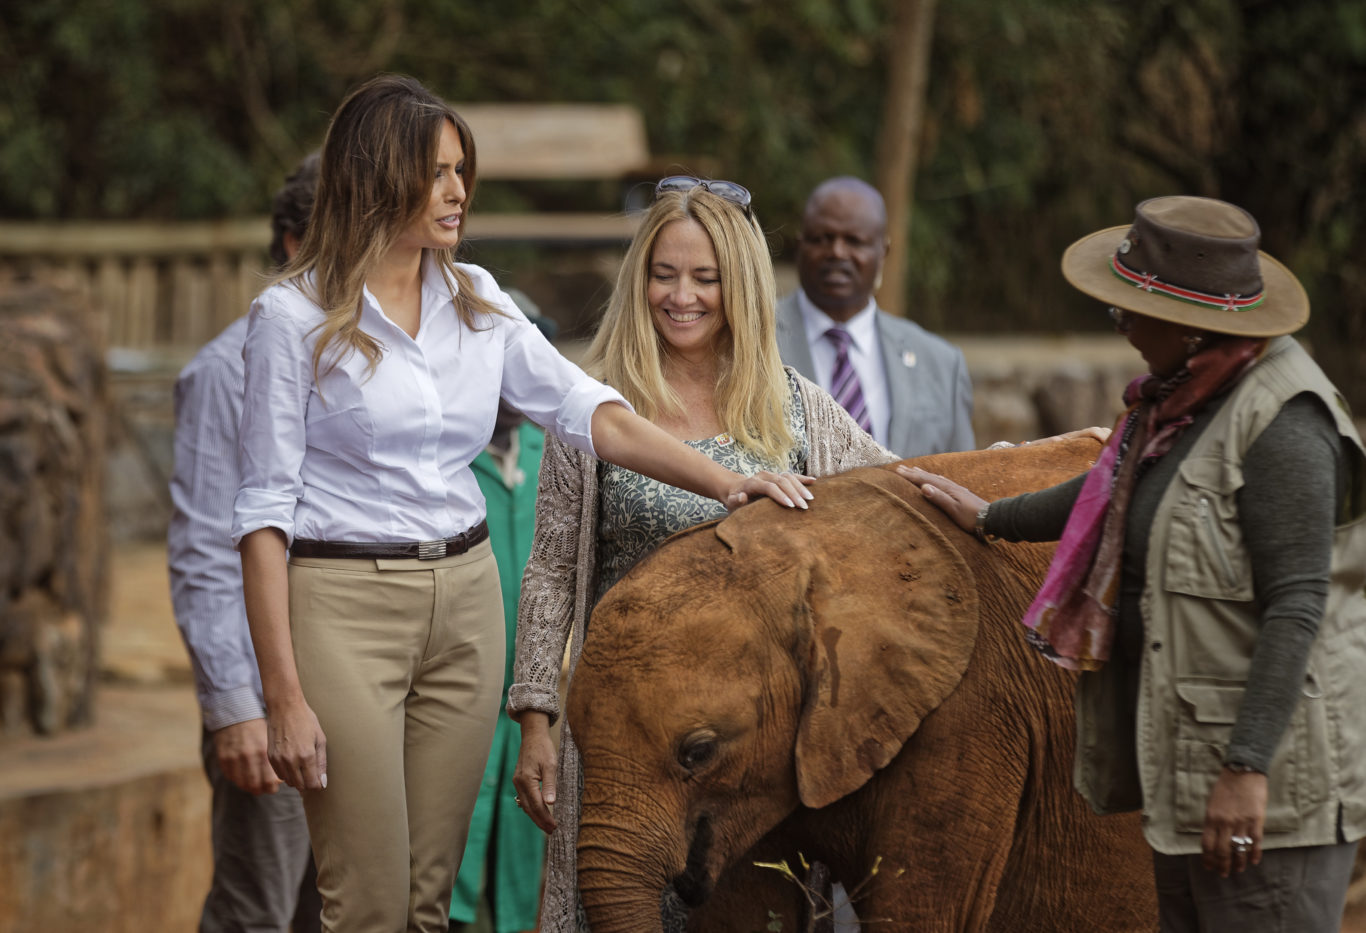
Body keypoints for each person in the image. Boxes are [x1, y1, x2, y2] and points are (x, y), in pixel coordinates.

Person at [229, 77, 810, 933]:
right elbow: (263, 511)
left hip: (467, 604)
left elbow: (593, 412)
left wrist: (726, 482)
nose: (460, 191)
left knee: (432, 902)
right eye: (438, 173)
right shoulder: (291, 318)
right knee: (369, 903)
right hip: (342, 607)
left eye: (462, 170)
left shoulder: (479, 300)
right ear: (378, 176)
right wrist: (281, 695)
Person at [900, 196, 1366, 933]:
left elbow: (1299, 604)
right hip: (1186, 767)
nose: (1117, 326)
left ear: (1187, 322)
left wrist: (1247, 769)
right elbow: (1116, 495)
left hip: (1272, 793)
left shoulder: (1284, 422)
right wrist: (989, 515)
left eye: (1126, 311)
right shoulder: (1182, 401)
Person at [508, 176, 899, 933]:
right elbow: (551, 567)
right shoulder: (593, 407)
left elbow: (894, 491)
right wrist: (534, 715)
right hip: (623, 746)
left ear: (742, 287)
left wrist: (1000, 479)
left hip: (752, 764)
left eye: (704, 278)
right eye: (663, 273)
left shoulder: (797, 408)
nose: (680, 295)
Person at [168, 151, 322, 933]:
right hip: (265, 697)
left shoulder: (365, 360)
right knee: (256, 910)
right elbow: (202, 550)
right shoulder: (224, 369)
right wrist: (235, 710)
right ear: (294, 243)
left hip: (351, 685)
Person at [448, 295, 554, 933]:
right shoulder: (448, 462)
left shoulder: (556, 459)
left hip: (538, 695)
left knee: (528, 852)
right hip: (459, 682)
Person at [777, 176, 975, 457]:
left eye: (854, 241)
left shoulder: (942, 364)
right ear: (800, 245)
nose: (837, 252)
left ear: (883, 251)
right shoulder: (748, 337)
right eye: (823, 238)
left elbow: (965, 480)